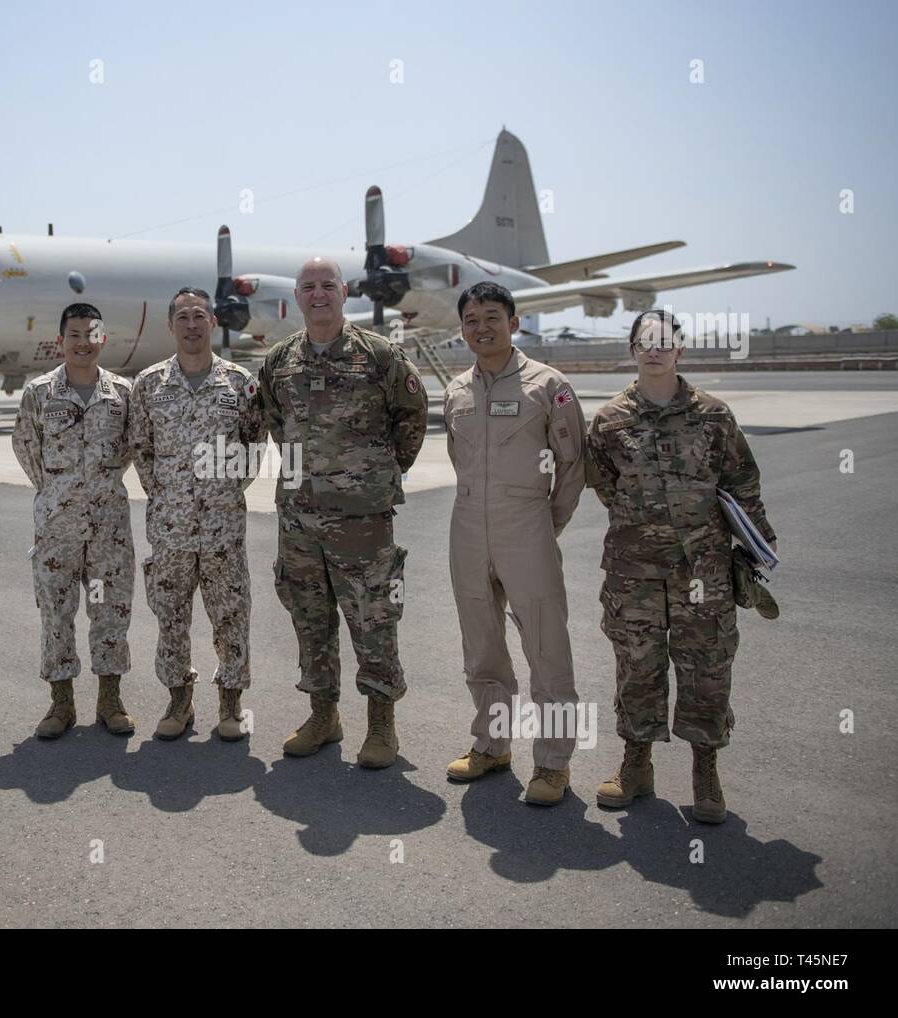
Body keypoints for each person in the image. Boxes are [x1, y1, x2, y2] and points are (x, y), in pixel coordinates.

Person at [586, 309, 777, 823]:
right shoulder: (608, 421)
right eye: (644, 341)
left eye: (664, 341)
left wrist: (755, 553)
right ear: (631, 349)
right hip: (634, 572)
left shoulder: (713, 415)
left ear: (680, 350)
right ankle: (636, 764)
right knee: (637, 668)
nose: (654, 349)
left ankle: (705, 771)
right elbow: (605, 486)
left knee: (707, 670)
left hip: (704, 569)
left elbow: (743, 484)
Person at [258, 257, 428, 769]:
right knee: (309, 619)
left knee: (372, 618)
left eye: (327, 285)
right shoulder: (280, 360)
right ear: (297, 295)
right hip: (299, 520)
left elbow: (411, 419)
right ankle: (323, 715)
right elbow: (274, 420)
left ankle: (381, 725)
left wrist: (374, 474)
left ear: (344, 291)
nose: (318, 294)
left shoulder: (379, 356)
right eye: (308, 286)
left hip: (362, 521)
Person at [442, 282, 586, 805]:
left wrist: (546, 525)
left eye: (492, 317)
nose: (482, 327)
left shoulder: (549, 386)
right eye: (472, 319)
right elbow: (460, 460)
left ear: (514, 322)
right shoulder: (456, 390)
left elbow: (571, 468)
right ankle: (491, 744)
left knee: (547, 650)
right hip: (467, 531)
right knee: (482, 649)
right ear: (463, 329)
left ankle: (552, 764)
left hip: (527, 529)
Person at [130, 287, 265, 741]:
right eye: (183, 317)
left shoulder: (239, 382)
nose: (192, 324)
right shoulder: (149, 385)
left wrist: (222, 492)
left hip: (224, 527)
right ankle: (178, 701)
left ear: (213, 322)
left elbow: (253, 446)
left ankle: (230, 703)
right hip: (169, 528)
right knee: (171, 615)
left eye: (200, 316)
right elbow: (142, 451)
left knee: (231, 614)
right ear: (170, 326)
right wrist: (171, 496)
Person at [11, 302, 136, 739]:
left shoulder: (122, 394)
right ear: (61, 340)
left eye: (92, 334)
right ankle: (61, 703)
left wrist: (96, 486)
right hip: (57, 530)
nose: (84, 342)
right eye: (75, 335)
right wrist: (58, 492)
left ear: (102, 338)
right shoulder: (39, 394)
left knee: (110, 611)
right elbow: (27, 448)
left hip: (108, 528)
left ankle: (110, 700)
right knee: (56, 612)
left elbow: (129, 450)